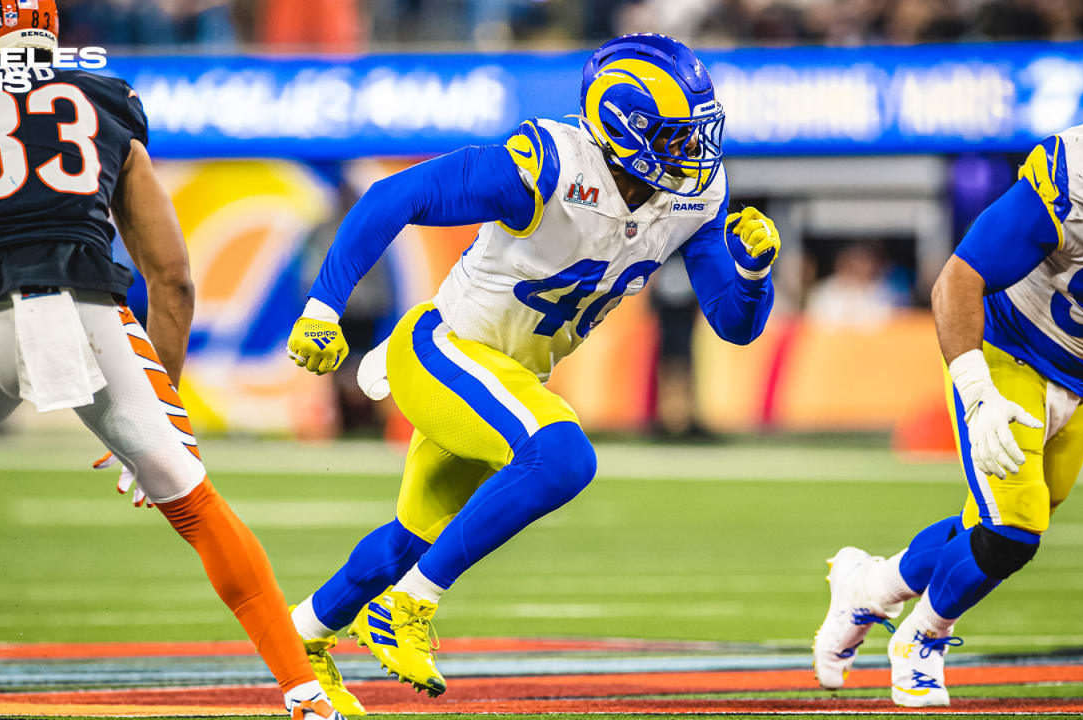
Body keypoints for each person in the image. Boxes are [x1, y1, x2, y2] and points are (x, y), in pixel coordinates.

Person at [284, 33, 780, 715]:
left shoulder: (691, 198)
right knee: (561, 455)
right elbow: (393, 196)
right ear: (621, 129)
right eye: (673, 138)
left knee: (413, 538)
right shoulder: (548, 165)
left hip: (506, 373)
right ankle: (410, 608)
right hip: (443, 348)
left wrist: (753, 273)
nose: (693, 154)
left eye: (696, 135)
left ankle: (301, 638)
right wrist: (322, 308)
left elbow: (735, 323)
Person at [0, 3, 340, 719]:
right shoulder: (107, 98)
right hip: (89, 312)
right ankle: (306, 694)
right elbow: (174, 278)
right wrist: (162, 403)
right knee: (193, 502)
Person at [812, 37, 1083, 708]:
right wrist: (977, 391)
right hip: (1011, 354)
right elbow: (959, 278)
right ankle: (921, 638)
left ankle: (870, 585)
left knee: (996, 527)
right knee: (1015, 531)